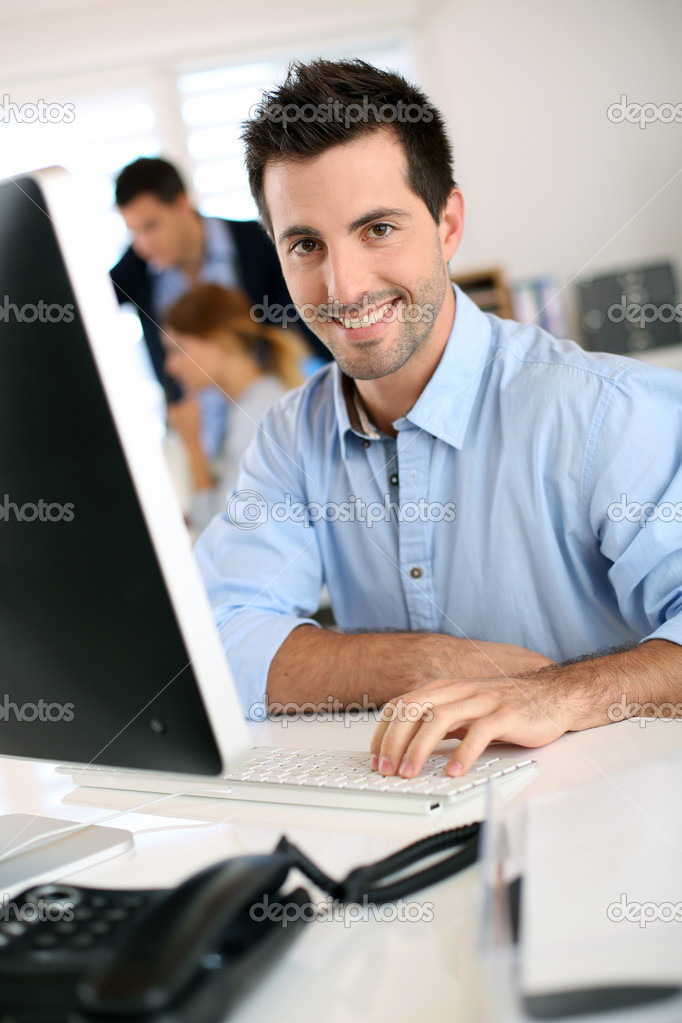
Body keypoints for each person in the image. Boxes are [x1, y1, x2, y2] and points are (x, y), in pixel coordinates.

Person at [194, 58, 682, 780]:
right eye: (306, 245)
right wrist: (437, 663)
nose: (344, 285)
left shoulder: (601, 411)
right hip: (407, 834)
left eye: (378, 228)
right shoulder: (290, 437)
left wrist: (558, 693)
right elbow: (218, 646)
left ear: (448, 223)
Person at [109, 157, 328, 456]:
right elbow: (81, 306)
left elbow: (307, 333)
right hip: (201, 446)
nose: (143, 244)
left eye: (151, 226)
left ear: (182, 203)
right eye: (133, 232)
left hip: (269, 429)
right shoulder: (135, 270)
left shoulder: (258, 245)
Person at [162, 283, 305, 533]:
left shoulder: (258, 415)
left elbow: (223, 532)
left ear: (219, 341)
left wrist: (193, 447)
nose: (170, 366)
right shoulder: (255, 402)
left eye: (179, 349)